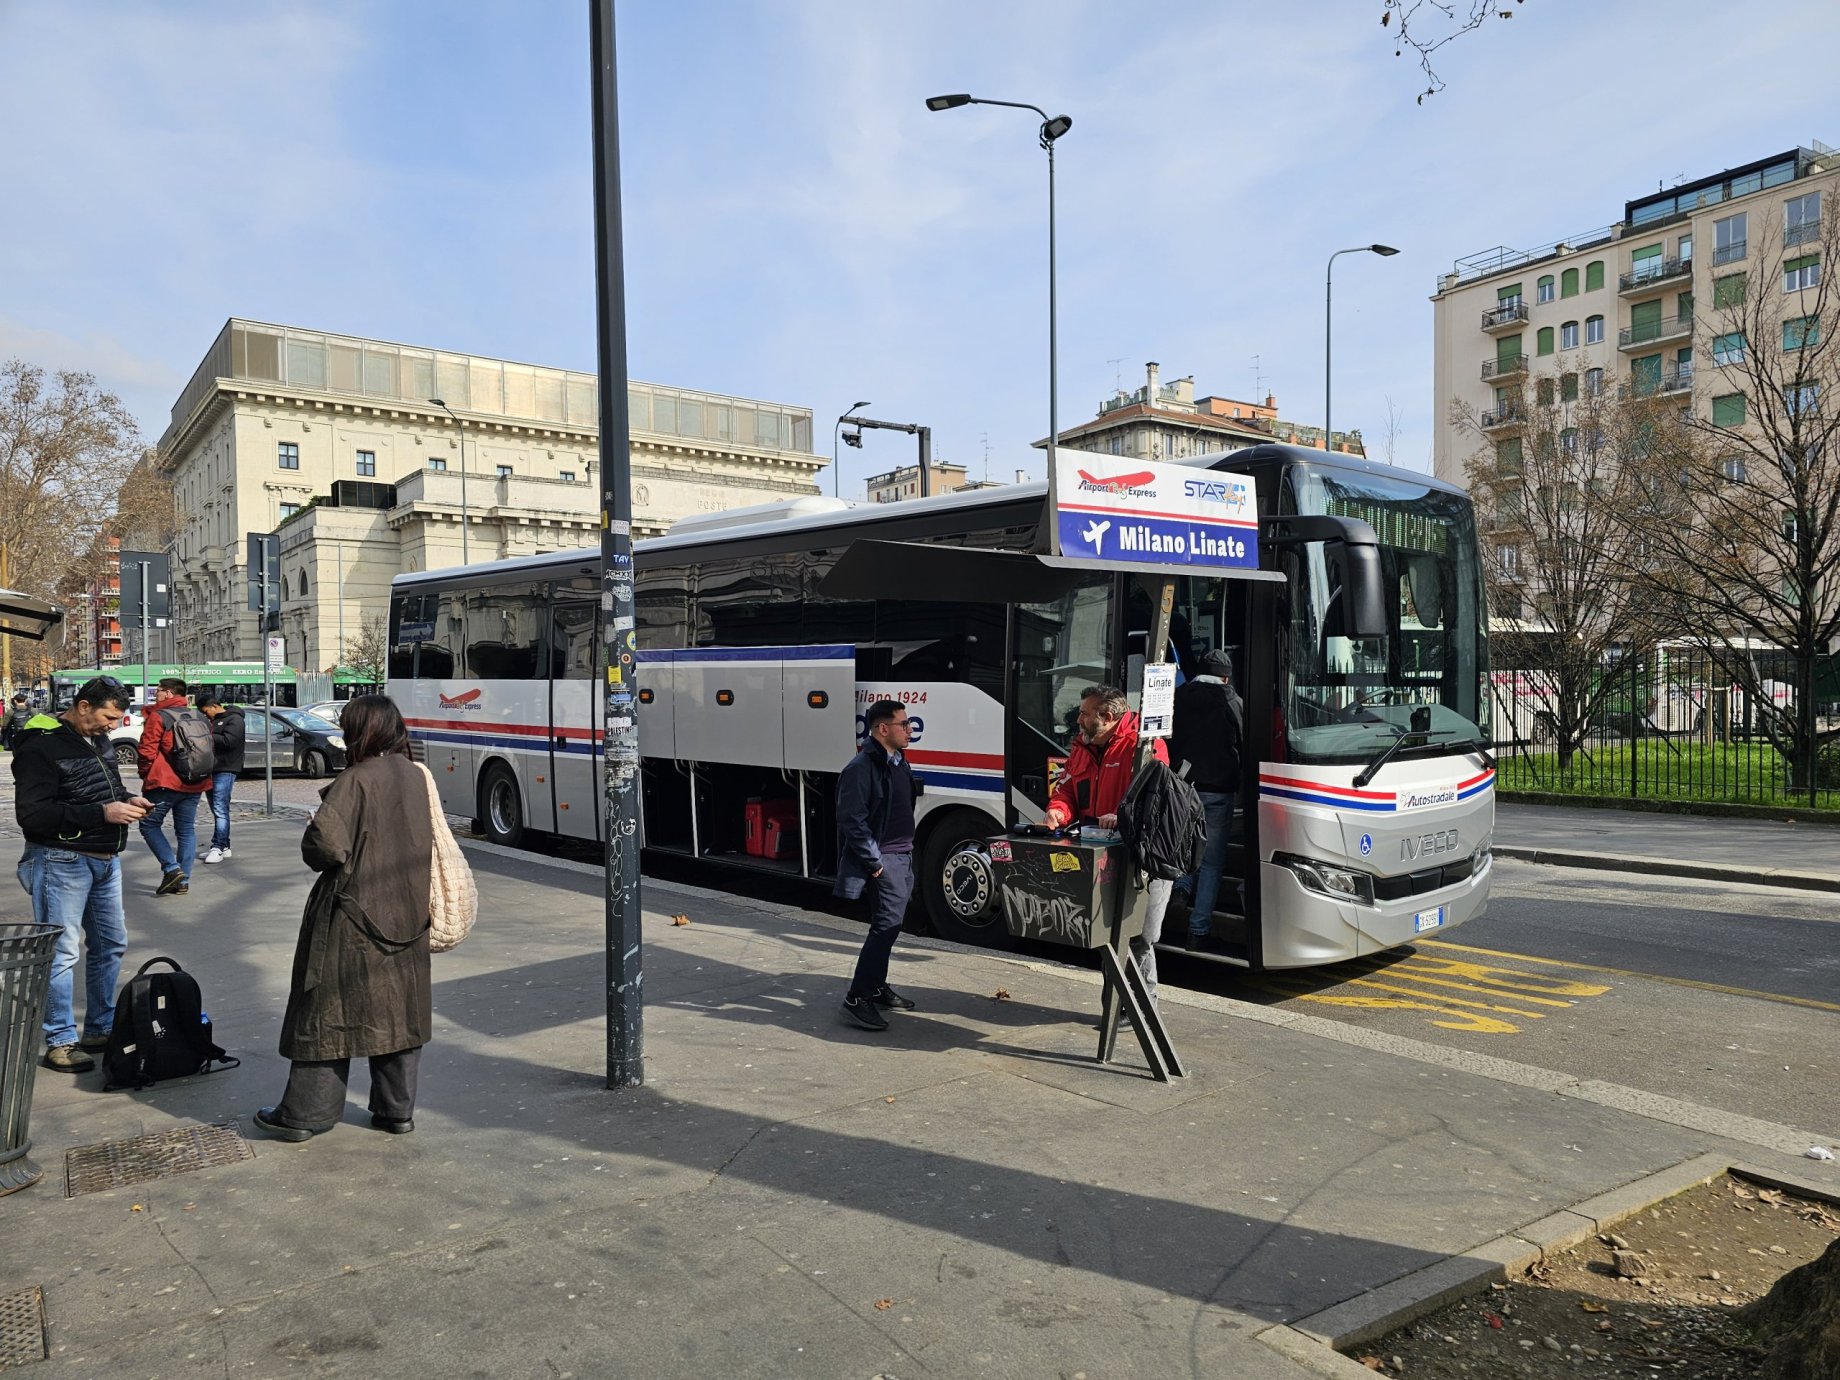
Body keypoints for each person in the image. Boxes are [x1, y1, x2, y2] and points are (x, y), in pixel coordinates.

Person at [255, 695, 434, 1141]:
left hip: (353, 913)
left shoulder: (354, 780)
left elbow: (326, 850)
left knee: (327, 1010)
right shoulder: (413, 775)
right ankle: (397, 1111)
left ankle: (306, 1114)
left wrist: (315, 828)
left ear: (358, 730)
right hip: (408, 911)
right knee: (398, 1010)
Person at [11, 676, 152, 1072]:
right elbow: (33, 815)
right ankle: (61, 1040)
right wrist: (102, 813)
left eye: (118, 718)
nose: (113, 725)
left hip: (105, 858)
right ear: (84, 705)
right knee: (62, 952)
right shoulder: (41, 746)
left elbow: (106, 788)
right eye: (108, 716)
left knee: (110, 945)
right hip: (60, 860)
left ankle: (99, 1028)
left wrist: (128, 799)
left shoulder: (100, 740)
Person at [1044, 685, 1173, 1008]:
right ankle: (1115, 1008)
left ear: (1108, 717)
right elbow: (1068, 789)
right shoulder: (1082, 747)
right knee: (1107, 935)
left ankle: (1143, 1009)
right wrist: (1058, 809)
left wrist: (1122, 816)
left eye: (1085, 714)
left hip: (1143, 856)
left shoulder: (1145, 745)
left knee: (1139, 937)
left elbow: (1155, 802)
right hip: (1102, 854)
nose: (1079, 720)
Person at [834, 699, 921, 1033]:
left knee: (892, 925)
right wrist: (875, 862)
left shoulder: (897, 760)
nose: (910, 729)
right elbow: (851, 820)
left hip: (901, 854)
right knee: (885, 926)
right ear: (883, 729)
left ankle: (876, 986)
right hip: (884, 857)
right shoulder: (861, 767)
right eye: (904, 724)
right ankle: (857, 998)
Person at [1169, 648, 1244, 948]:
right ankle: (1197, 932)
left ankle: (1182, 887)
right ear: (1225, 677)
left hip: (1182, 787)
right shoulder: (1232, 702)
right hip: (1217, 792)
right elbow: (1242, 739)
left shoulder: (1178, 696)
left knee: (1185, 847)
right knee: (1211, 862)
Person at [136, 677, 210, 896]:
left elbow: (146, 750)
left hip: (164, 783)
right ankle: (183, 881)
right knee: (186, 830)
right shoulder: (198, 716)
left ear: (168, 693)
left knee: (148, 825)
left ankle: (172, 869)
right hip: (195, 780)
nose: (155, 695)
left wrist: (146, 774)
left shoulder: (159, 716)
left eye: (157, 691)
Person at [196, 693, 245, 863]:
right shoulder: (212, 721)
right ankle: (224, 846)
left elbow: (229, 741)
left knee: (219, 808)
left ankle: (218, 846)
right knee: (217, 808)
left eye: (205, 712)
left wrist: (206, 736)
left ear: (214, 706)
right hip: (212, 768)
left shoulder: (235, 719)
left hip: (226, 768)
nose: (204, 715)